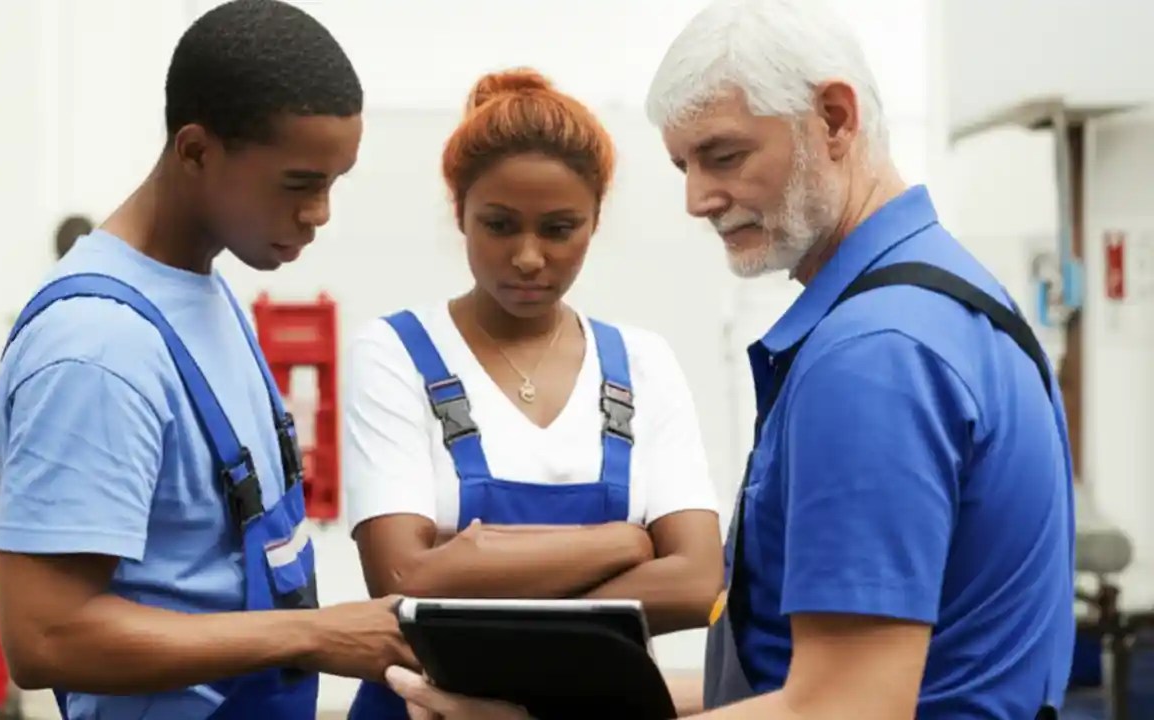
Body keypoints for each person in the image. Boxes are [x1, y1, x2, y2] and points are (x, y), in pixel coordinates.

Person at [382, 1, 1077, 718]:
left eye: (724, 155)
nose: (695, 198)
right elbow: (807, 686)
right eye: (684, 165)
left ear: (835, 119)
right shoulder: (960, 304)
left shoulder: (874, 357)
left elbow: (842, 708)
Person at [0, 2, 415, 719]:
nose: (320, 213)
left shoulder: (204, 289)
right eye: (299, 183)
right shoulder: (98, 349)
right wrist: (314, 634)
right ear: (194, 152)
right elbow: (45, 636)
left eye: (333, 184)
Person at [341, 68, 724, 719]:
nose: (526, 256)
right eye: (498, 224)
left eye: (558, 228)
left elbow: (695, 582)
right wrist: (621, 545)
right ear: (458, 209)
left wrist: (473, 576)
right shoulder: (394, 353)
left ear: (596, 221)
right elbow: (401, 581)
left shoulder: (642, 364)